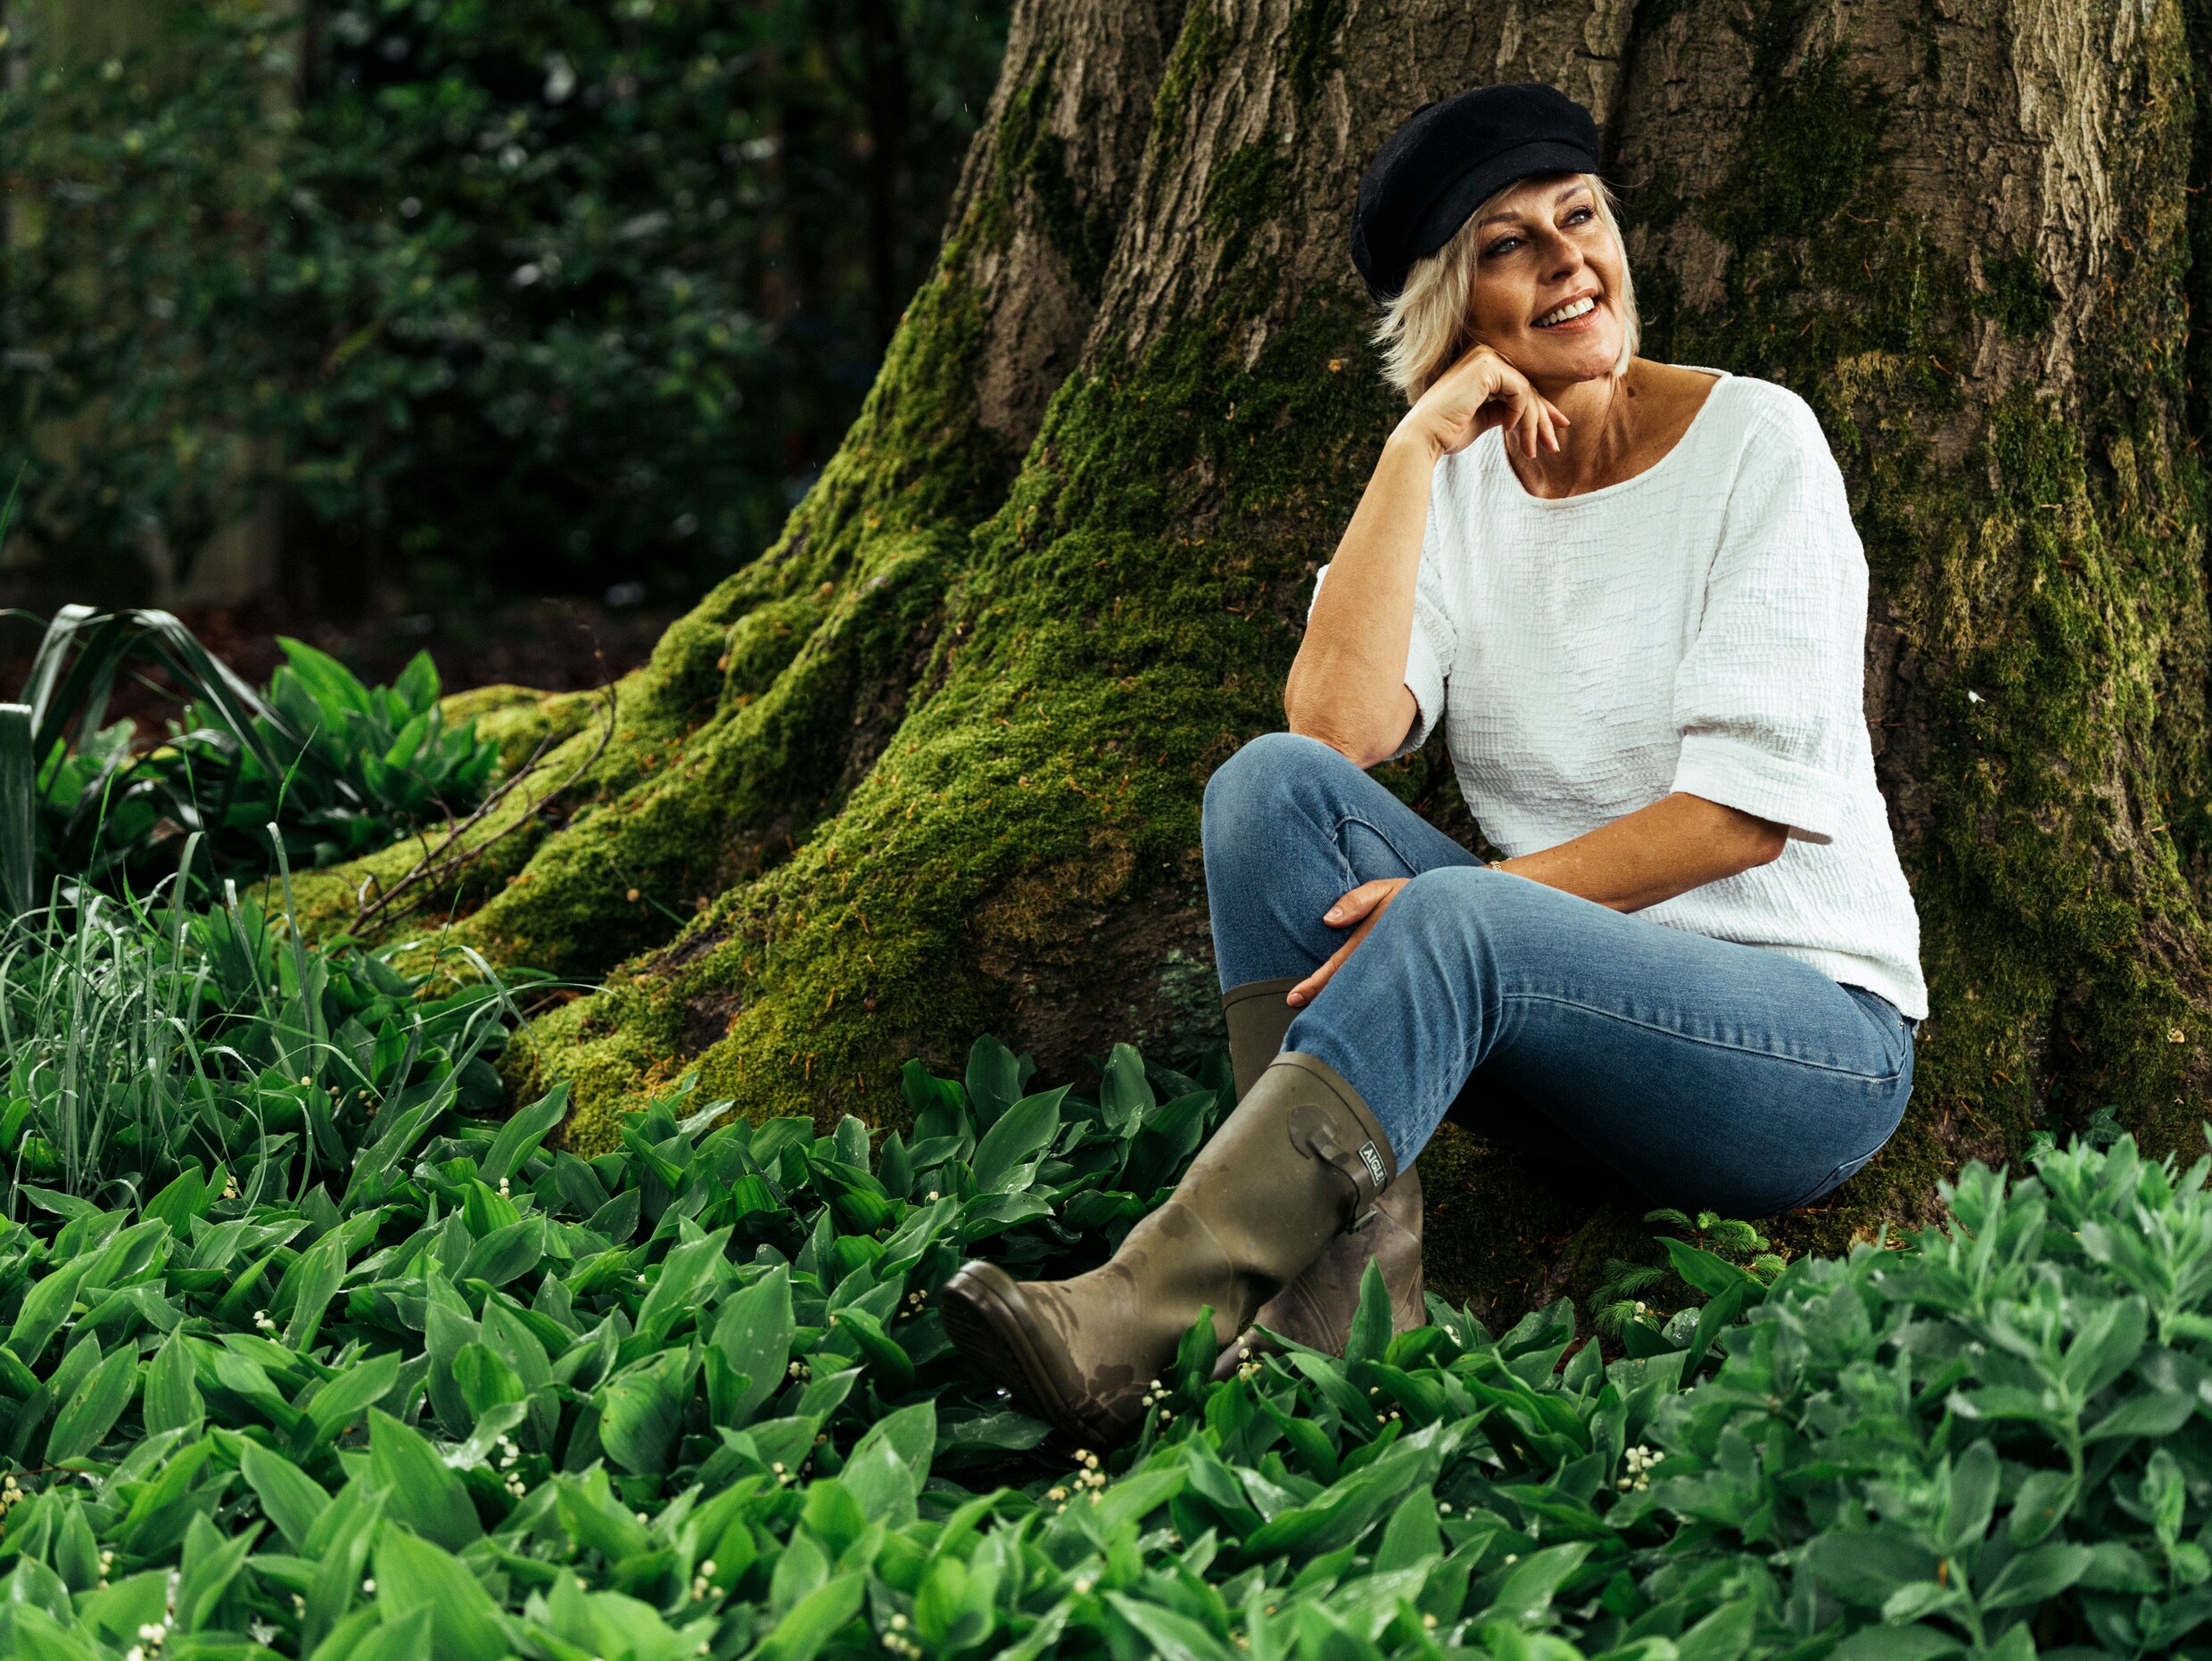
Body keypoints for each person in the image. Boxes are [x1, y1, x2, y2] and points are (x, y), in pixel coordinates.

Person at [940, 81, 1925, 1446]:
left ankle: (1146, 1316)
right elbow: (1333, 734)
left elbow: (1742, 823)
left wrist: (1484, 912)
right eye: (1511, 243)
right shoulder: (1460, 483)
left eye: (1581, 217)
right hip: (1546, 1028)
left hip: (1799, 1050)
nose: (1569, 259)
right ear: (1457, 304)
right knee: (1263, 791)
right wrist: (1414, 449)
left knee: (1467, 908)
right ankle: (1340, 1341)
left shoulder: (1759, 443)